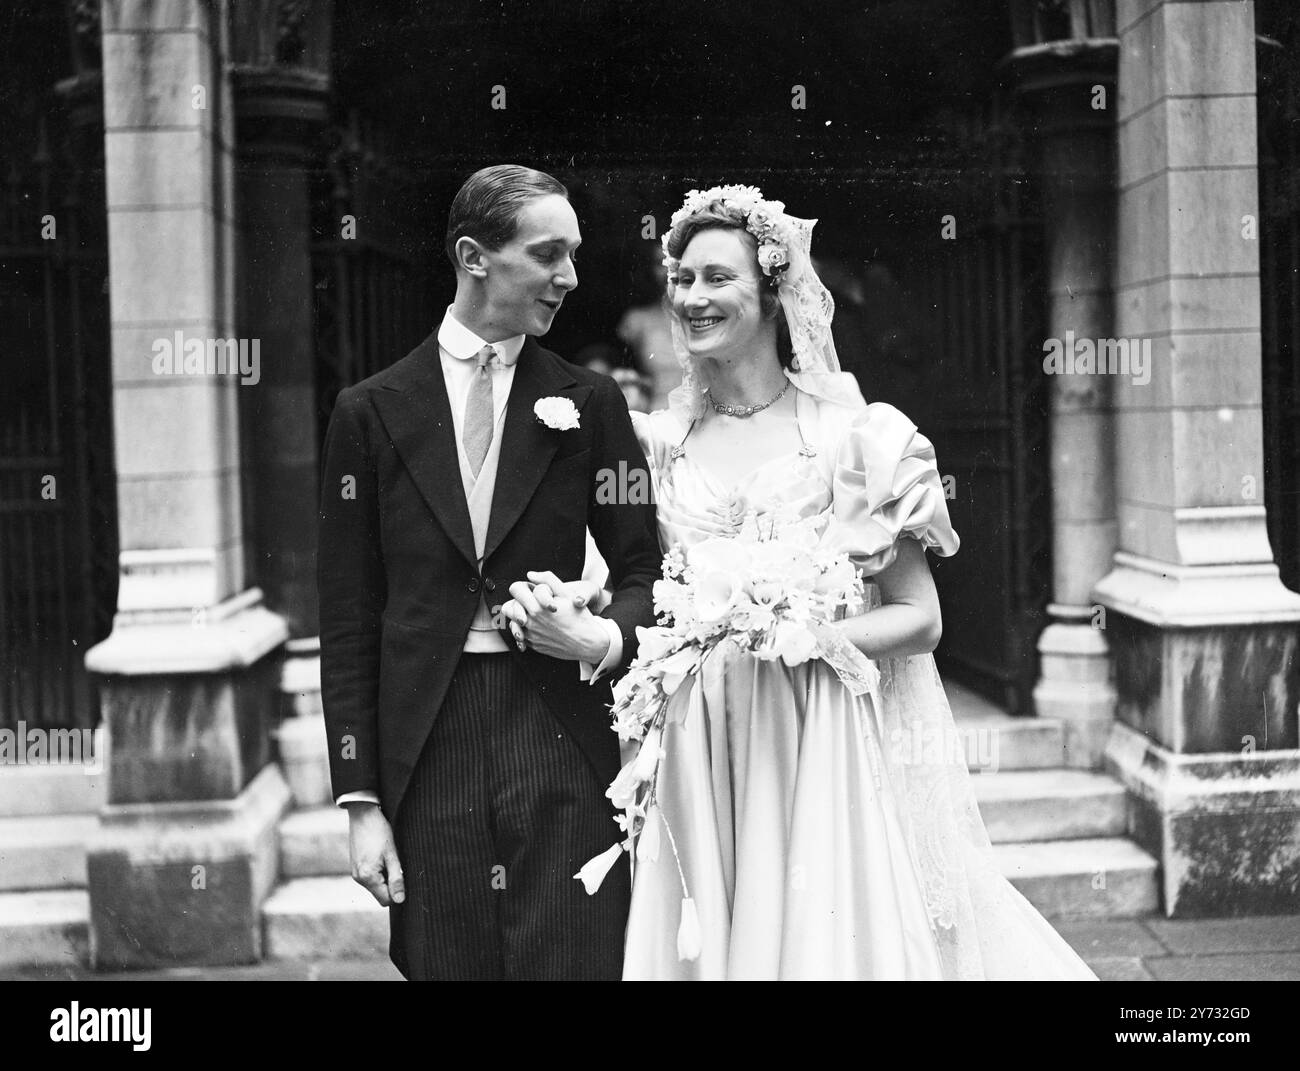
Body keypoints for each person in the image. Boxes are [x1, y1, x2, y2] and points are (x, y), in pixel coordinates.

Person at [608, 185, 1097, 980]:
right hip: (702, 744)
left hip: (817, 731)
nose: (692, 297)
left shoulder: (853, 437)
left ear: (773, 291)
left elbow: (920, 618)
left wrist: (799, 635)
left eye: (716, 278)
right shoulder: (661, 446)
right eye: (682, 278)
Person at [317, 164, 660, 980]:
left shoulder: (593, 403)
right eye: (548, 255)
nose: (570, 278)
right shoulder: (368, 413)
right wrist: (362, 802)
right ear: (474, 257)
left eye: (572, 255)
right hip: (426, 744)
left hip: (563, 736)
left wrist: (601, 633)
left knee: (577, 961)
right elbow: (349, 617)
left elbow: (651, 571)